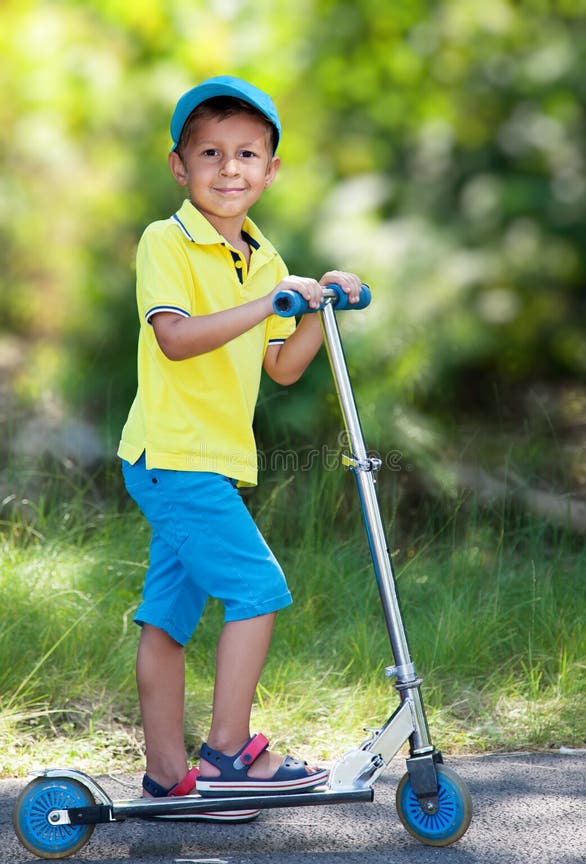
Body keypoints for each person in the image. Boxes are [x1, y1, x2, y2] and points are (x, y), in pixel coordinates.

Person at [118, 75, 362, 820]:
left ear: (271, 170)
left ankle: (168, 778)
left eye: (247, 154)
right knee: (258, 589)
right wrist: (269, 301)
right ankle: (228, 754)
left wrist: (320, 304)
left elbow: (283, 365)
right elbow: (176, 337)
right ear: (179, 167)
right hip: (173, 456)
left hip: (208, 462)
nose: (230, 169)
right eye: (211, 153)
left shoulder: (263, 256)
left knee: (167, 620)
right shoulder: (167, 241)